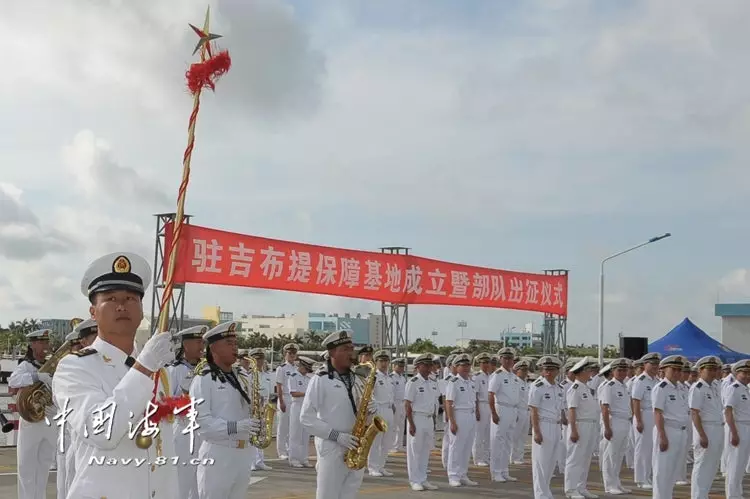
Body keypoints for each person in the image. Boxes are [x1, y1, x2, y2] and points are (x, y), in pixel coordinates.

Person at [51, 252, 177, 499]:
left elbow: (164, 454)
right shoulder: (74, 368)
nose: (122, 306)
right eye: (110, 299)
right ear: (93, 312)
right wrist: (144, 367)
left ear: (141, 310)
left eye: (131, 298)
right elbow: (102, 432)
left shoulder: (158, 373)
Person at [189, 321, 261, 499]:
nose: (235, 348)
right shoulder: (203, 379)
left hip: (243, 454)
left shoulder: (241, 376)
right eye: (229, 344)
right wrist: (235, 427)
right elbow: (201, 424)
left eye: (236, 344)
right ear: (214, 348)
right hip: (218, 454)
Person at [300, 330, 369, 499]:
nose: (350, 353)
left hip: (356, 444)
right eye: (345, 349)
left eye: (351, 348)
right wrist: (337, 436)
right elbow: (306, 418)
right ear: (332, 352)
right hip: (332, 446)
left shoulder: (358, 378)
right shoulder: (320, 379)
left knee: (349, 494)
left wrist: (369, 410)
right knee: (328, 495)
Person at [10, 328, 57, 499]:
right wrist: (36, 376)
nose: (46, 345)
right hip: (30, 420)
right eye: (42, 342)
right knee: (26, 465)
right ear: (33, 345)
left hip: (50, 417)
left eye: (47, 342)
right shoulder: (26, 365)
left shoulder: (52, 364)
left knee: (44, 464)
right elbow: (13, 380)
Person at [57, 319, 98, 499]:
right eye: (95, 336)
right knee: (71, 483)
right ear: (84, 341)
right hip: (76, 437)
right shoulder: (72, 365)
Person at [167, 325, 207, 499]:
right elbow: (166, 403)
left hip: (205, 429)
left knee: (201, 480)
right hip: (184, 429)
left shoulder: (206, 369)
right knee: (182, 480)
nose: (202, 346)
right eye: (198, 342)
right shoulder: (174, 370)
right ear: (185, 345)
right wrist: (184, 397)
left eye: (202, 342)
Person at [651, 354, 690, 499]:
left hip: (681, 431)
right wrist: (662, 436)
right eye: (673, 369)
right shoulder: (661, 388)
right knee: (662, 469)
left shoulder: (682, 388)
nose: (677, 373)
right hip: (667, 430)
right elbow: (658, 413)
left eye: (679, 370)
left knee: (674, 469)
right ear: (664, 370)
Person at [529, 355, 565, 499]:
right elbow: (533, 410)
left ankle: (546, 491)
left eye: (552, 369)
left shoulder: (559, 387)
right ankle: (540, 494)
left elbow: (560, 409)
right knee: (541, 463)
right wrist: (536, 431)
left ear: (557, 371)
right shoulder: (537, 386)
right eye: (546, 369)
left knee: (551, 462)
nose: (548, 372)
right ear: (542, 371)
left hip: (556, 426)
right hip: (543, 425)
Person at [564, 356, 599, 499]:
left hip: (590, 425)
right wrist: (573, 430)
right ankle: (570, 489)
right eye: (587, 370)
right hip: (580, 424)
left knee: (585, 458)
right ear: (580, 372)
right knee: (575, 458)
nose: (590, 373)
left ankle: (581, 487)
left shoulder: (586, 388)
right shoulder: (575, 388)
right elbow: (572, 410)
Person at [688, 355, 723, 499]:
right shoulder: (698, 388)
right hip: (705, 428)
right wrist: (702, 435)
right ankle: (697, 496)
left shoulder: (715, 386)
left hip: (717, 428)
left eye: (715, 369)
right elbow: (694, 413)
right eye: (709, 369)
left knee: (712, 466)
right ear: (701, 370)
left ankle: (704, 494)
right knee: (702, 465)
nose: (713, 372)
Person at [405, 353, 440, 491]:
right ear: (418, 366)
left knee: (425, 450)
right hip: (417, 418)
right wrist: (411, 424)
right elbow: (407, 404)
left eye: (429, 365)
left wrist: (433, 421)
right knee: (415, 450)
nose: (428, 368)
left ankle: (423, 478)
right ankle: (414, 480)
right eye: (425, 365)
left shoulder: (432, 382)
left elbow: (434, 403)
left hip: (428, 418)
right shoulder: (413, 382)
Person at [488, 346, 522, 482]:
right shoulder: (497, 375)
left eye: (510, 358)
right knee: (497, 442)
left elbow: (516, 396)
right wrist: (493, 413)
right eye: (506, 358)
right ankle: (495, 472)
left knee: (508, 442)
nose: (508, 361)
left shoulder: (514, 377)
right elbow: (491, 394)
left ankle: (504, 470)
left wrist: (517, 411)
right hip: (501, 408)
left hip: (512, 410)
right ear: (501, 359)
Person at [445, 353, 479, 487]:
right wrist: (452, 422)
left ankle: (463, 474)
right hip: (459, 415)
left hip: (470, 416)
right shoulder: (453, 382)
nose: (466, 368)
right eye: (462, 365)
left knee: (467, 446)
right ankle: (453, 475)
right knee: (456, 446)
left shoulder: (471, 382)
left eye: (467, 365)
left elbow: (474, 400)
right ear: (456, 367)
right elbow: (448, 403)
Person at [599, 358, 632, 495]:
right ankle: (609, 485)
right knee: (610, 455)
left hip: (625, 421)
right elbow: (605, 408)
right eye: (619, 370)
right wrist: (607, 427)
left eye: (624, 370)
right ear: (613, 371)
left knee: (619, 455)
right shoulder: (609, 386)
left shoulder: (624, 386)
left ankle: (617, 483)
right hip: (615, 421)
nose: (622, 373)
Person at [630, 352, 660, 490]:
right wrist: (639, 420)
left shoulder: (657, 381)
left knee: (653, 448)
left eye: (656, 364)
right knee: (643, 448)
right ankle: (641, 479)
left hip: (654, 415)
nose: (655, 366)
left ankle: (649, 476)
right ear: (644, 365)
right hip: (644, 414)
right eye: (652, 364)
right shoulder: (640, 380)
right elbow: (635, 401)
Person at [723, 358, 750, 499]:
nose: (747, 375)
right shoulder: (733, 388)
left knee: (741, 464)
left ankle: (737, 494)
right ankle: (732, 495)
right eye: (744, 372)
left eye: (749, 373)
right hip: (738, 427)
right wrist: (734, 432)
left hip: (746, 427)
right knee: (734, 464)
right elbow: (728, 411)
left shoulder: (745, 389)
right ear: (736, 373)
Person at [246, 348, 276, 472]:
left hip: (264, 406)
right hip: (253, 407)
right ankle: (252, 461)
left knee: (263, 433)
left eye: (261, 359)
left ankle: (260, 461)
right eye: (257, 359)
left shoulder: (267, 375)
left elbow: (271, 392)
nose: (259, 362)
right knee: (253, 434)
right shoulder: (249, 375)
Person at [367, 350, 395, 477]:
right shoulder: (374, 376)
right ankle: (373, 467)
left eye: (386, 361)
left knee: (387, 442)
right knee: (376, 441)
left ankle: (381, 466)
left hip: (389, 410)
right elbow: (368, 394)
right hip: (379, 410)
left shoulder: (389, 378)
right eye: (381, 361)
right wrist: (373, 409)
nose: (384, 364)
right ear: (376, 362)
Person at [287, 355, 315, 468]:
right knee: (295, 434)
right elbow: (293, 393)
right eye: (306, 368)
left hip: (306, 407)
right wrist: (308, 394)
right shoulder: (293, 376)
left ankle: (303, 458)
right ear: (301, 366)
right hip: (297, 405)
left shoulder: (308, 379)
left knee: (305, 434)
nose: (306, 371)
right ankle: (293, 458)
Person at [275, 342, 299, 460]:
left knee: (292, 426)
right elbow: (279, 386)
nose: (292, 355)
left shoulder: (297, 368)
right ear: (285, 354)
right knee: (283, 426)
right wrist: (281, 401)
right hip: (284, 397)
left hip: (294, 399)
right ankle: (281, 451)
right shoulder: (281, 368)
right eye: (290, 353)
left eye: (294, 353)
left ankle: (290, 449)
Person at [471, 352, 492, 467]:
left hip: (489, 405)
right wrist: (477, 410)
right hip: (481, 405)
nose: (486, 365)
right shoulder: (477, 377)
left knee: (488, 434)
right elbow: (475, 395)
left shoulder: (491, 376)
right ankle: (478, 458)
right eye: (483, 362)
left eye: (487, 362)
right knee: (479, 434)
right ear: (480, 364)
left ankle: (486, 456)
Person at [511, 359, 531, 465]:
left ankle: (519, 457)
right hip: (518, 410)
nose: (525, 372)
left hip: (526, 411)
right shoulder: (515, 382)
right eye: (522, 370)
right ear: (517, 371)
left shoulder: (527, 383)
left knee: (523, 436)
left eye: (526, 370)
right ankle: (512, 457)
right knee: (515, 435)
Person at [388, 357, 407, 453]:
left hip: (403, 403)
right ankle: (392, 445)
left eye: (402, 366)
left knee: (401, 425)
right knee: (394, 426)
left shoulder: (403, 378)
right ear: (394, 366)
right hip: (395, 402)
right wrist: (392, 404)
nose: (401, 368)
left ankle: (399, 445)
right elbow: (390, 392)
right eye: (399, 366)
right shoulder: (391, 377)